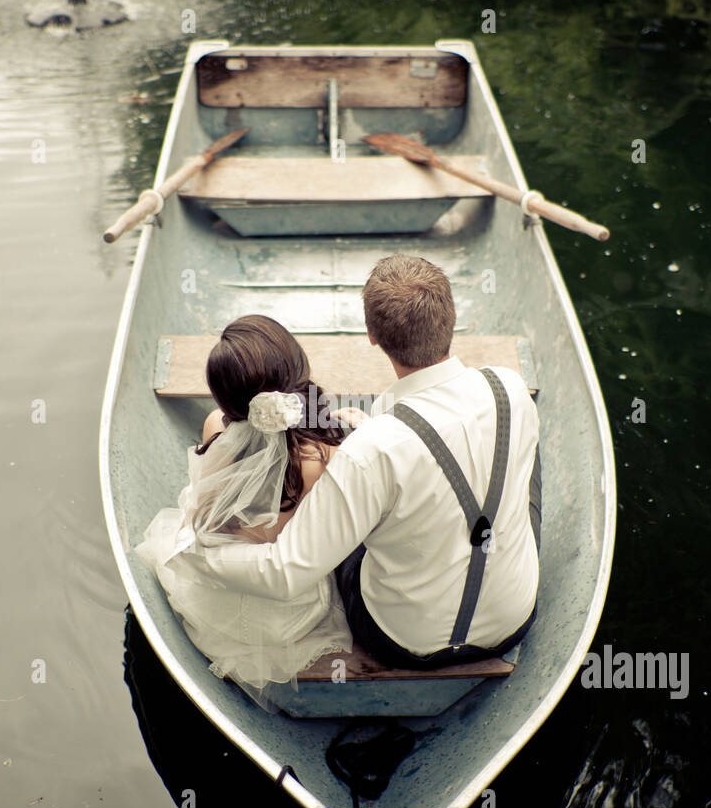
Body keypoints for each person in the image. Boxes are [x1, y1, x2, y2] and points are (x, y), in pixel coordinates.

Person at [187, 255, 541, 669]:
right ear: (452, 316)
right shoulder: (510, 389)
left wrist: (201, 555)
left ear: (372, 336)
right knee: (523, 464)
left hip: (404, 642)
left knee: (349, 520)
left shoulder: (366, 452)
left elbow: (284, 573)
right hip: (514, 620)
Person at [135, 315, 353, 702]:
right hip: (288, 616)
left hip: (218, 603)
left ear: (227, 401)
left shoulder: (214, 428)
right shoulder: (323, 459)